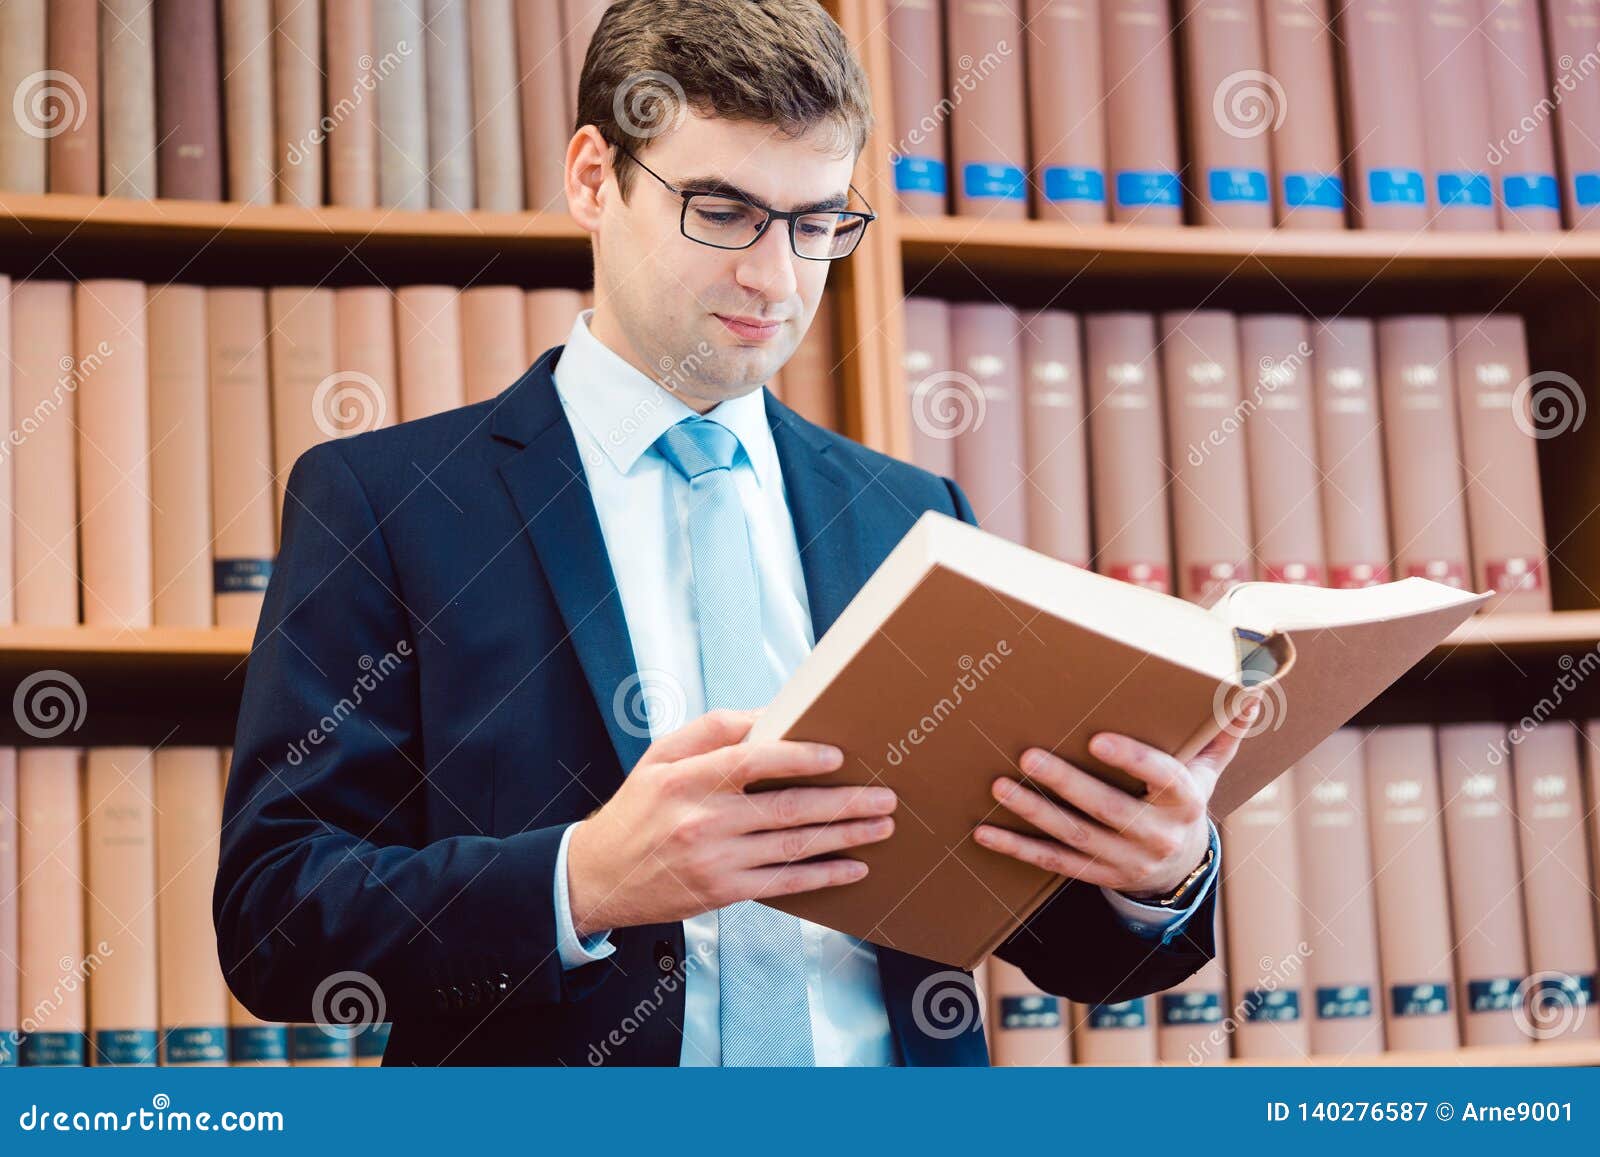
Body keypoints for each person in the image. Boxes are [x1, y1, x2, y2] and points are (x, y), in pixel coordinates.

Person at [214, 0, 1245, 1067]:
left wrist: (1151, 873)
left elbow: (1044, 930)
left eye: (815, 223)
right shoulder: (389, 502)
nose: (776, 278)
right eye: (722, 212)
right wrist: (584, 879)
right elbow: (273, 918)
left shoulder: (913, 514)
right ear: (592, 179)